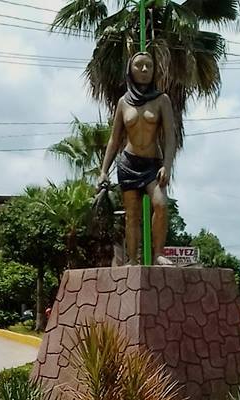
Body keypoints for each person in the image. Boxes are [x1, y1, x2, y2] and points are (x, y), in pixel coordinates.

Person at [98, 51, 175, 266]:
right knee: (131, 215)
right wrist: (104, 170)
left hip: (153, 165)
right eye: (139, 66)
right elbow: (114, 139)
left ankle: (158, 253)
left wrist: (167, 166)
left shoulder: (162, 100)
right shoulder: (123, 102)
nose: (144, 70)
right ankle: (132, 260)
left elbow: (170, 138)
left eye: (148, 66)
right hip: (128, 163)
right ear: (130, 71)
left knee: (160, 204)